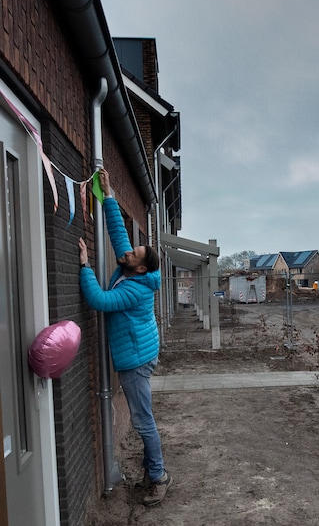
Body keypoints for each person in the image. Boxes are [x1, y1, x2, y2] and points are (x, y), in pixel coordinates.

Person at [78, 169, 173, 507]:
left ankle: (159, 476)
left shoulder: (135, 290)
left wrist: (86, 266)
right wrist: (109, 194)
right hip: (139, 352)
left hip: (135, 360)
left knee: (142, 419)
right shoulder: (133, 268)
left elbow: (100, 301)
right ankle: (154, 469)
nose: (127, 252)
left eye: (134, 253)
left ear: (141, 268)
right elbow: (118, 233)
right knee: (143, 418)